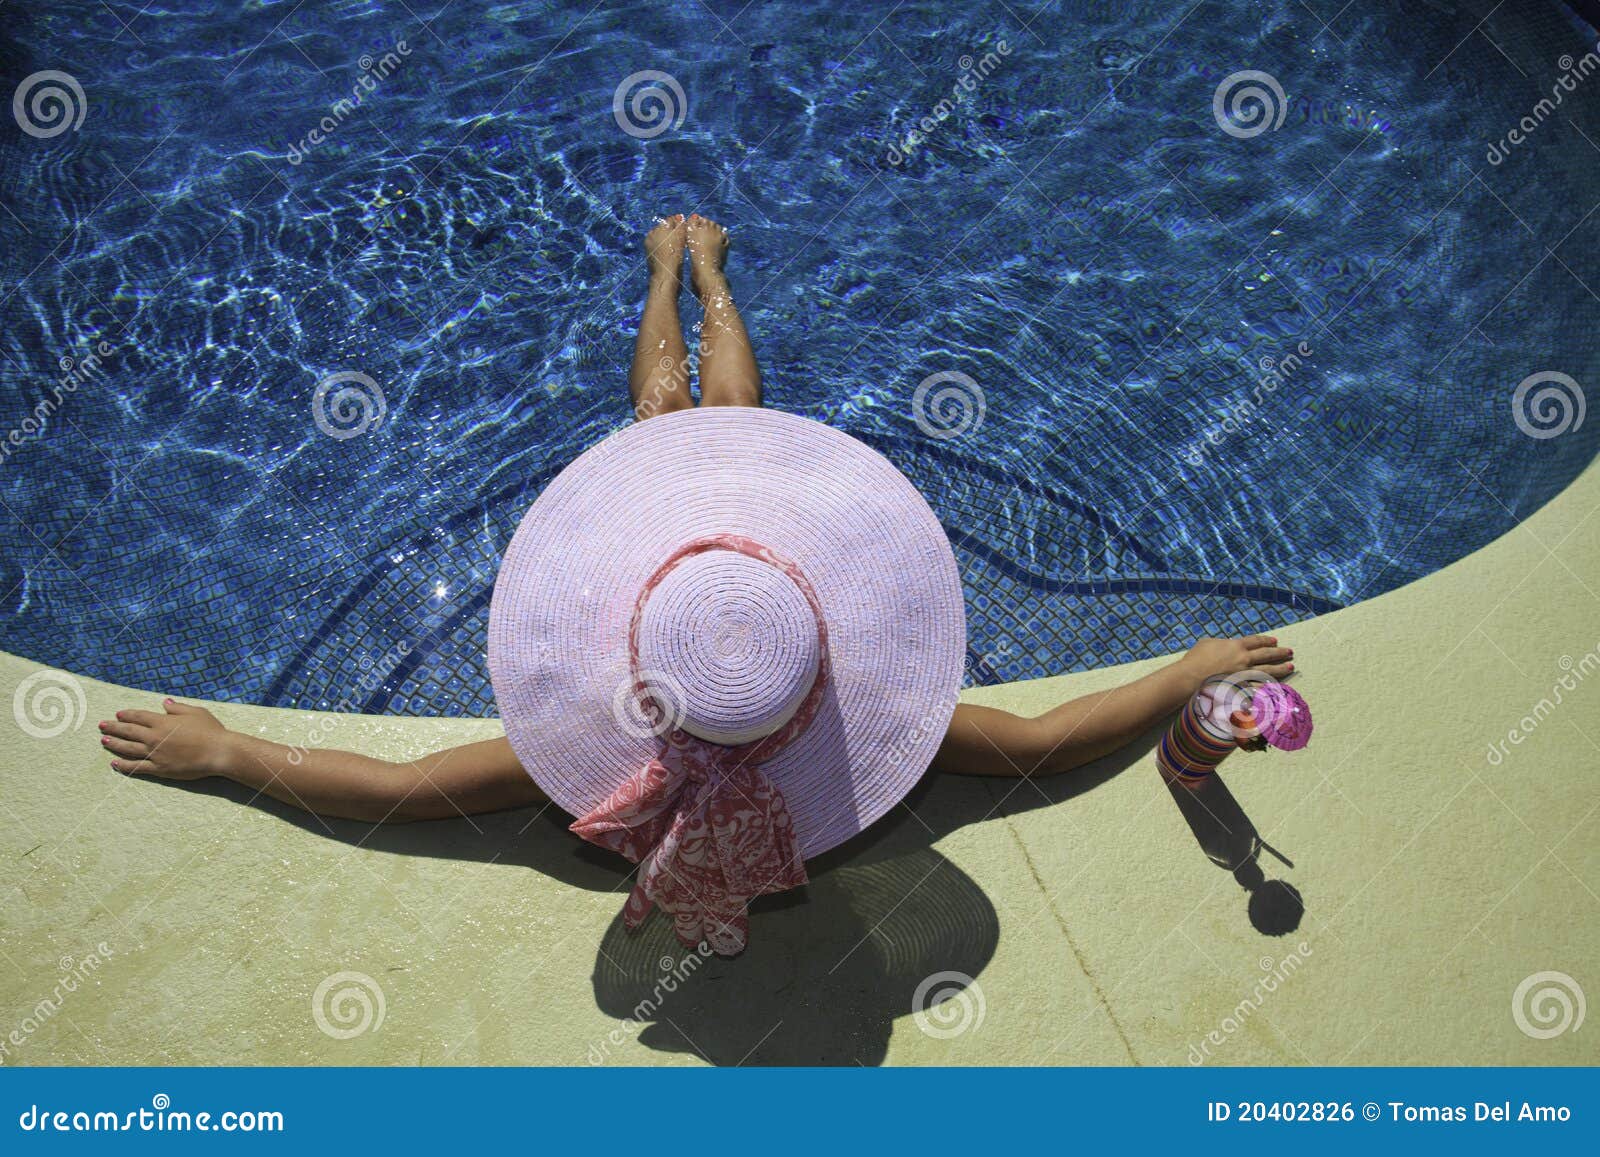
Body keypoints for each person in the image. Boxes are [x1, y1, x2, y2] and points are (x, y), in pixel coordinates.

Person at [96, 213, 1293, 947]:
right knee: (726, 421)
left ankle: (671, 275)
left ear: (632, 647)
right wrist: (1183, 668)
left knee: (664, 423)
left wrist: (233, 753)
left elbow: (400, 786)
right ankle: (706, 275)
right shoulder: (902, 739)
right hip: (742, 642)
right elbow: (1048, 737)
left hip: (694, 629)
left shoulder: (596, 756)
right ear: (817, 668)